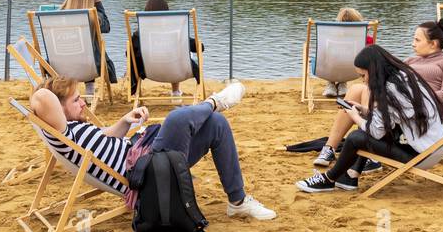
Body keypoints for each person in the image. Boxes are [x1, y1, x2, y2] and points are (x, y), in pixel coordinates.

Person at [29, 76, 276, 220]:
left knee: (216, 124)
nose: (83, 103)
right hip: (146, 176)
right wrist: (51, 89)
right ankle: (216, 101)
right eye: (76, 100)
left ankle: (238, 201)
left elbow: (105, 136)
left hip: (144, 153)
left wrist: (126, 120)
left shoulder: (75, 129)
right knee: (176, 119)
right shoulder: (62, 133)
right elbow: (41, 97)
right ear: (57, 109)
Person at [310, 19, 443, 169]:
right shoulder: (411, 60)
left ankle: (369, 148)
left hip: (420, 115)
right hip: (399, 109)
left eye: (417, 40)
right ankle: (329, 148)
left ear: (433, 43)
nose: (412, 44)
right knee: (357, 89)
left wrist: (414, 96)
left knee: (371, 89)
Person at [297, 45, 443, 193]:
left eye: (363, 75)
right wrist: (365, 111)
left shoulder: (388, 90)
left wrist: (355, 116)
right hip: (432, 146)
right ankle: (350, 175)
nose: (363, 81)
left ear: (374, 71)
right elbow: (396, 117)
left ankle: (329, 179)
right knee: (365, 124)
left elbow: (376, 132)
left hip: (420, 155)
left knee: (356, 137)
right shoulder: (404, 77)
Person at [128, 0, 201, 98]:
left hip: (149, 71)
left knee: (137, 57)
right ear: (166, 12)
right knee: (182, 53)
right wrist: (199, 45)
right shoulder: (175, 31)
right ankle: (175, 92)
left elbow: (129, 53)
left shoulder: (139, 35)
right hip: (176, 70)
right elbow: (198, 48)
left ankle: (136, 94)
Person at [61, 0, 118, 95]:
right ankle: (90, 90)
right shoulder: (94, 18)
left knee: (79, 48)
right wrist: (98, 2)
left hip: (61, 65)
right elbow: (106, 27)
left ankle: (69, 92)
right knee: (90, 50)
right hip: (89, 67)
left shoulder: (58, 17)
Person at [323, 7, 373, 96]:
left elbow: (325, 53)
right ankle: (342, 85)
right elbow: (370, 55)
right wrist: (364, 32)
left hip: (330, 70)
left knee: (330, 57)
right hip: (355, 71)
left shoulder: (331, 38)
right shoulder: (367, 39)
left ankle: (331, 85)